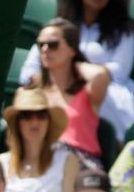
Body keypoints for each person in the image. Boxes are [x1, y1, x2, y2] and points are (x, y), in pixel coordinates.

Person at [56, 0, 134, 142]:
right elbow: (35, 63)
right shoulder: (62, 24)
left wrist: (82, 73)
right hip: (61, 83)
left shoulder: (122, 28)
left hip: (109, 89)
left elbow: (119, 70)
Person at [25, 18, 110, 167]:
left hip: (81, 162)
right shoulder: (34, 88)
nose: (45, 49)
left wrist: (74, 64)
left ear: (72, 49)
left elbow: (100, 75)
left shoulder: (87, 90)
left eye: (53, 44)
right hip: (41, 161)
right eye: (41, 45)